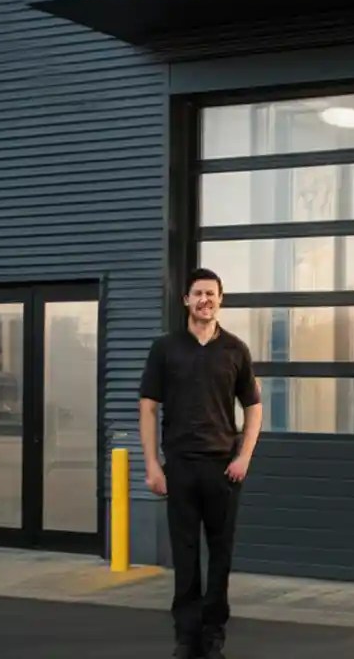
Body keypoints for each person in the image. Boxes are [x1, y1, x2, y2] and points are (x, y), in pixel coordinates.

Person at [139, 268, 263, 659]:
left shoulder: (235, 350)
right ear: (186, 300)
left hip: (223, 469)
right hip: (179, 466)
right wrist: (152, 465)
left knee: (221, 555)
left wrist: (244, 457)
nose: (204, 300)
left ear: (220, 299)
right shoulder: (165, 348)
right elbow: (148, 408)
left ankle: (213, 636)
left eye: (211, 293)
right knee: (185, 554)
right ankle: (186, 636)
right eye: (198, 293)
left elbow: (254, 407)